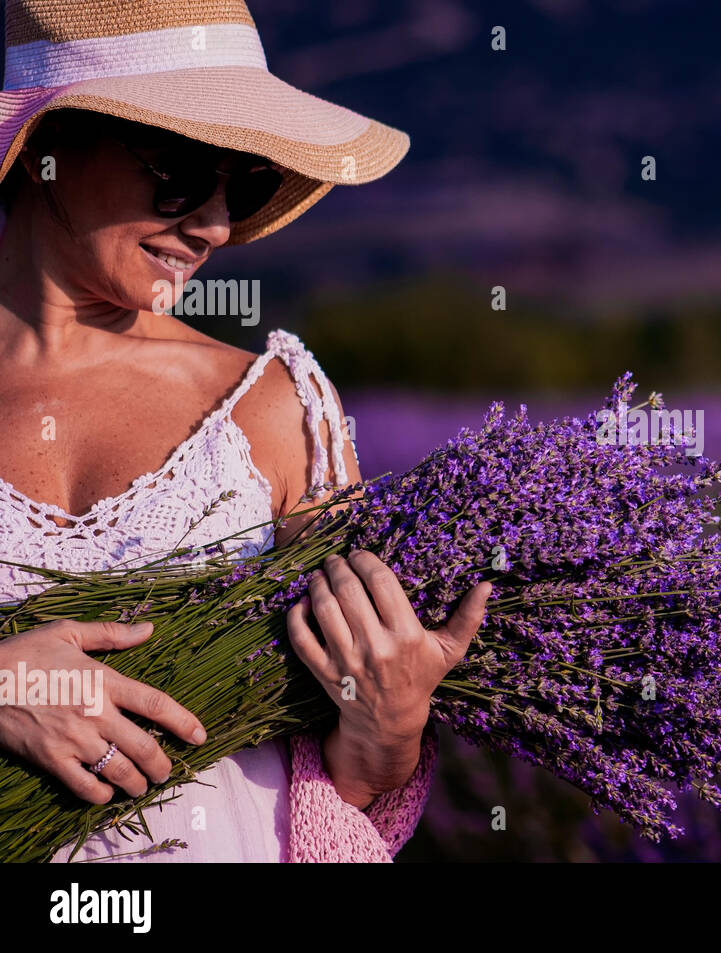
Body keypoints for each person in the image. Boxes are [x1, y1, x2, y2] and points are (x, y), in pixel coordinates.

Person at [0, 0, 488, 862]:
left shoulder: (270, 408)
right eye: (181, 170)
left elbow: (346, 777)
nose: (217, 226)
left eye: (245, 182)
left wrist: (391, 727)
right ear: (50, 144)